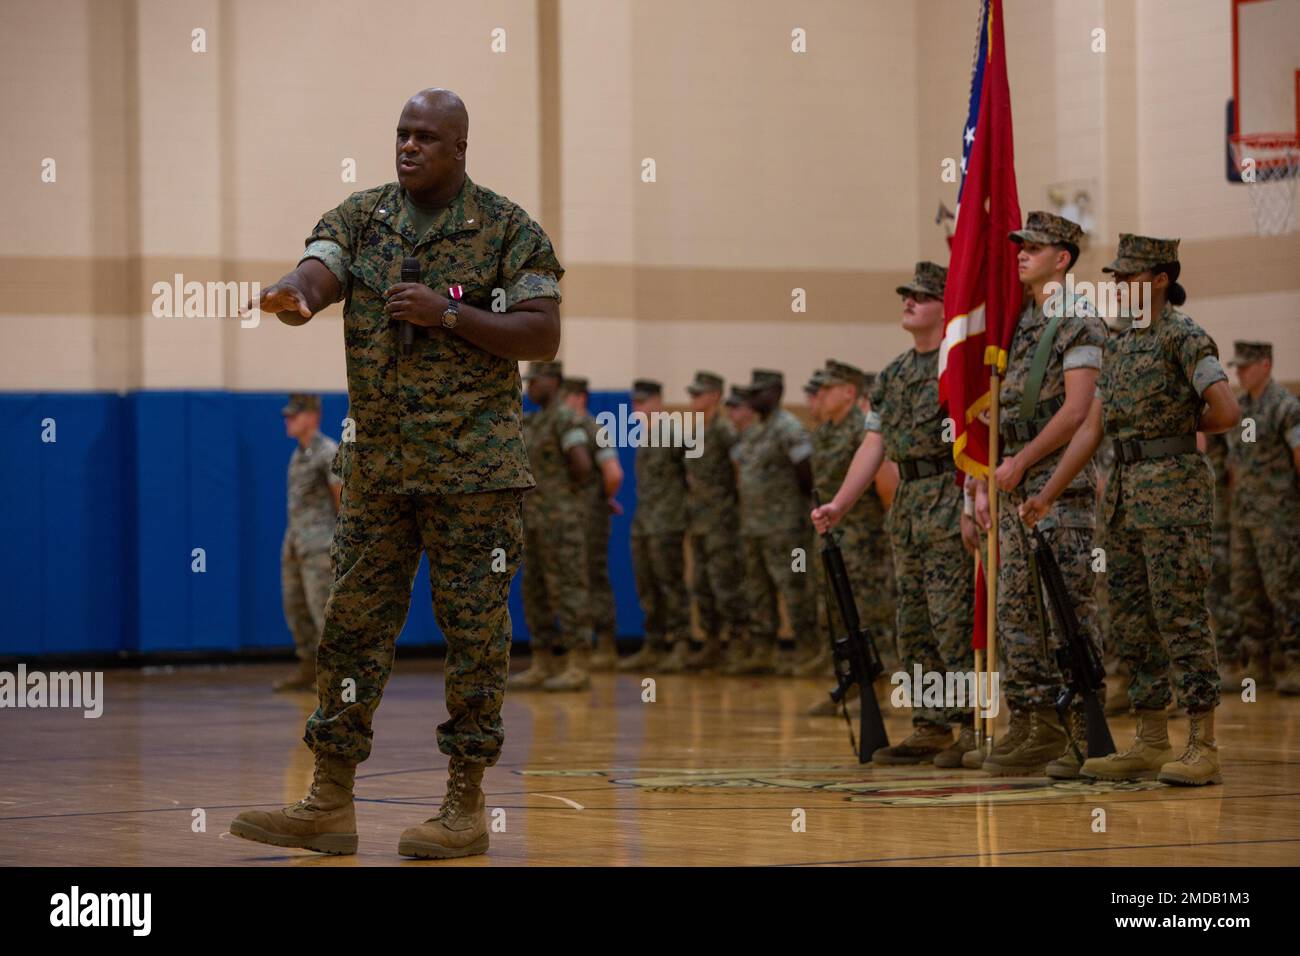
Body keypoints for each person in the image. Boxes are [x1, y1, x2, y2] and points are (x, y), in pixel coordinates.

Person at [230, 88, 564, 858]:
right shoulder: (364, 217)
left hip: (473, 475)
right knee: (350, 630)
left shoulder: (508, 230)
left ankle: (465, 805)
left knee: (474, 636)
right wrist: (295, 296)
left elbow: (541, 333)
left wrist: (449, 313)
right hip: (380, 470)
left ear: (459, 149)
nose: (408, 147)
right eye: (401, 134)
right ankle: (329, 800)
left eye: (426, 137)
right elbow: (321, 269)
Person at [1021, 233, 1240, 786]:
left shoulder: (1183, 336)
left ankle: (1203, 743)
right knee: (1133, 622)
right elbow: (1092, 427)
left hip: (1174, 497)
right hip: (1122, 497)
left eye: (1130, 277)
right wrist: (1047, 493)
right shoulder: (1118, 343)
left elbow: (1226, 409)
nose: (1119, 286)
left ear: (1162, 279)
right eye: (1115, 278)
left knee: (1181, 616)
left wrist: (1175, 431)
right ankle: (1148, 740)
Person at [812, 263, 974, 766]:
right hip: (908, 507)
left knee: (954, 618)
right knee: (914, 621)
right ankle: (929, 723)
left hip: (950, 497)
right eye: (907, 294)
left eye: (922, 296)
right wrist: (841, 502)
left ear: (947, 307)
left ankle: (971, 723)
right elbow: (874, 445)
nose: (909, 301)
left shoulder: (959, 366)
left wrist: (973, 500)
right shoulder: (895, 373)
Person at [973, 212, 1106, 779]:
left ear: (1064, 258)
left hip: (1060, 486)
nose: (1022, 254)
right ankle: (1033, 722)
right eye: (1020, 246)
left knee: (1066, 607)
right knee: (1017, 609)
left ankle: (1082, 725)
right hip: (1012, 482)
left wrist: (1023, 462)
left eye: (1035, 247)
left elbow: (1078, 411)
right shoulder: (1019, 320)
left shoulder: (1077, 319)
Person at [510, 362, 593, 692]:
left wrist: (561, 495)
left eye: (536, 381)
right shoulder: (531, 421)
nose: (530, 388)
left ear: (554, 382)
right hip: (532, 521)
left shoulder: (565, 418)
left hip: (560, 521)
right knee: (536, 592)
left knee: (569, 588)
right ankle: (543, 661)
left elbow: (583, 467)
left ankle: (578, 663)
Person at [1225, 340, 1300, 695]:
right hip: (1244, 516)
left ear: (1266, 365)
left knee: (1285, 588)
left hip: (1277, 516)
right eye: (1237, 366)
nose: (1239, 372)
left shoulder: (1284, 406)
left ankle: (1296, 660)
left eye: (1246, 366)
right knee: (1245, 590)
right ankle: (1258, 664)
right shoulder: (1239, 408)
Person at [731, 369, 818, 675]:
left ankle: (808, 649)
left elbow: (806, 472)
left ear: (776, 393)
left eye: (759, 392)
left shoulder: (788, 427)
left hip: (785, 527)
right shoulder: (755, 430)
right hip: (754, 526)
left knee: (794, 587)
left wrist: (800, 510)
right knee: (758, 589)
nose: (752, 398)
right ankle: (763, 650)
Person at [619, 380, 692, 672]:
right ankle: (655, 643)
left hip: (668, 522)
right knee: (647, 586)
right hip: (645, 523)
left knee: (670, 584)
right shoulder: (646, 436)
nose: (638, 409)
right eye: (635, 403)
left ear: (658, 402)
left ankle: (681, 645)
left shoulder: (673, 433)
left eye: (643, 402)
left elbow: (695, 477)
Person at [276, 394, 342, 692]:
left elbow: (341, 499)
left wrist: (342, 543)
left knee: (323, 612)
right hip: (295, 545)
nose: (289, 421)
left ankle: (334, 675)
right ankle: (308, 667)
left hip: (319, 546)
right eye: (288, 416)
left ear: (313, 417)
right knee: (296, 608)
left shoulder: (327, 452)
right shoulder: (297, 454)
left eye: (295, 415)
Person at [682, 371, 748, 671]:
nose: (694, 400)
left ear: (715, 396)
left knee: (726, 584)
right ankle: (711, 642)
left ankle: (738, 643)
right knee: (702, 584)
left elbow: (739, 472)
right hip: (699, 520)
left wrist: (732, 511)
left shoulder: (725, 430)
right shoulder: (698, 431)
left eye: (699, 394)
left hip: (722, 521)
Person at [562, 376, 624, 670]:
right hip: (571, 517)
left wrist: (601, 499)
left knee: (592, 576)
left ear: (579, 398)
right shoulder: (566, 428)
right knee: (574, 579)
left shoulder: (594, 429)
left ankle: (605, 645)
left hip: (590, 517)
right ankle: (581, 644)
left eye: (567, 398)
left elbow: (614, 474)